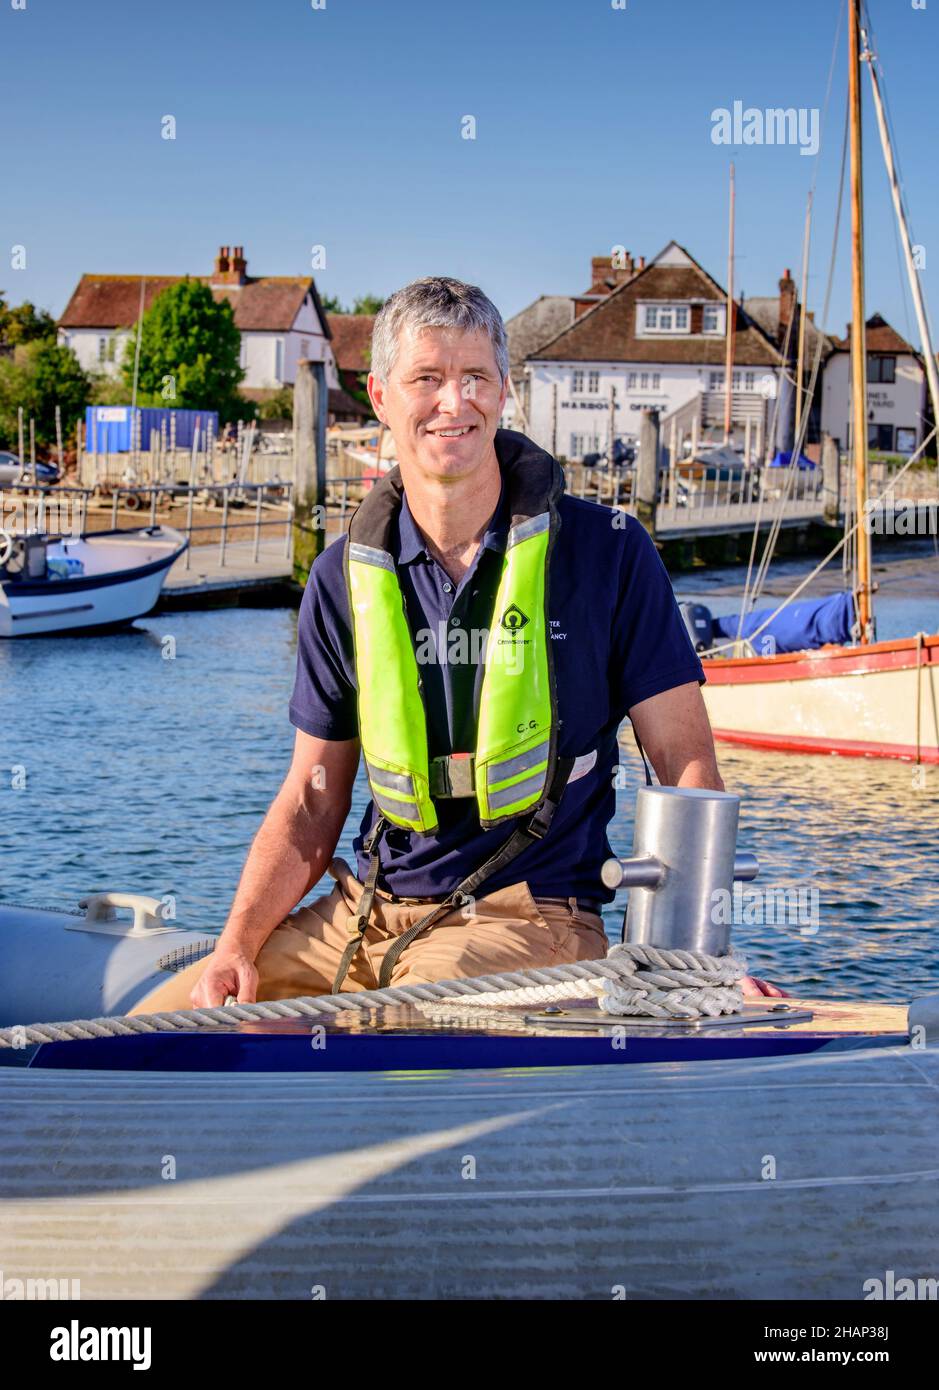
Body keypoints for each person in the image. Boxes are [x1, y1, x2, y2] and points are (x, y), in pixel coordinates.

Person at [134, 276, 781, 1014]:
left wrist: (694, 960)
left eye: (475, 377)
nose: (455, 401)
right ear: (379, 397)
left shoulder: (609, 554)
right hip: (362, 912)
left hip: (530, 917)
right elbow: (314, 797)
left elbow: (685, 761)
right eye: (427, 379)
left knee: (405, 1042)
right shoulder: (341, 577)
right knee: (152, 1030)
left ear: (504, 389)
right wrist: (237, 946)